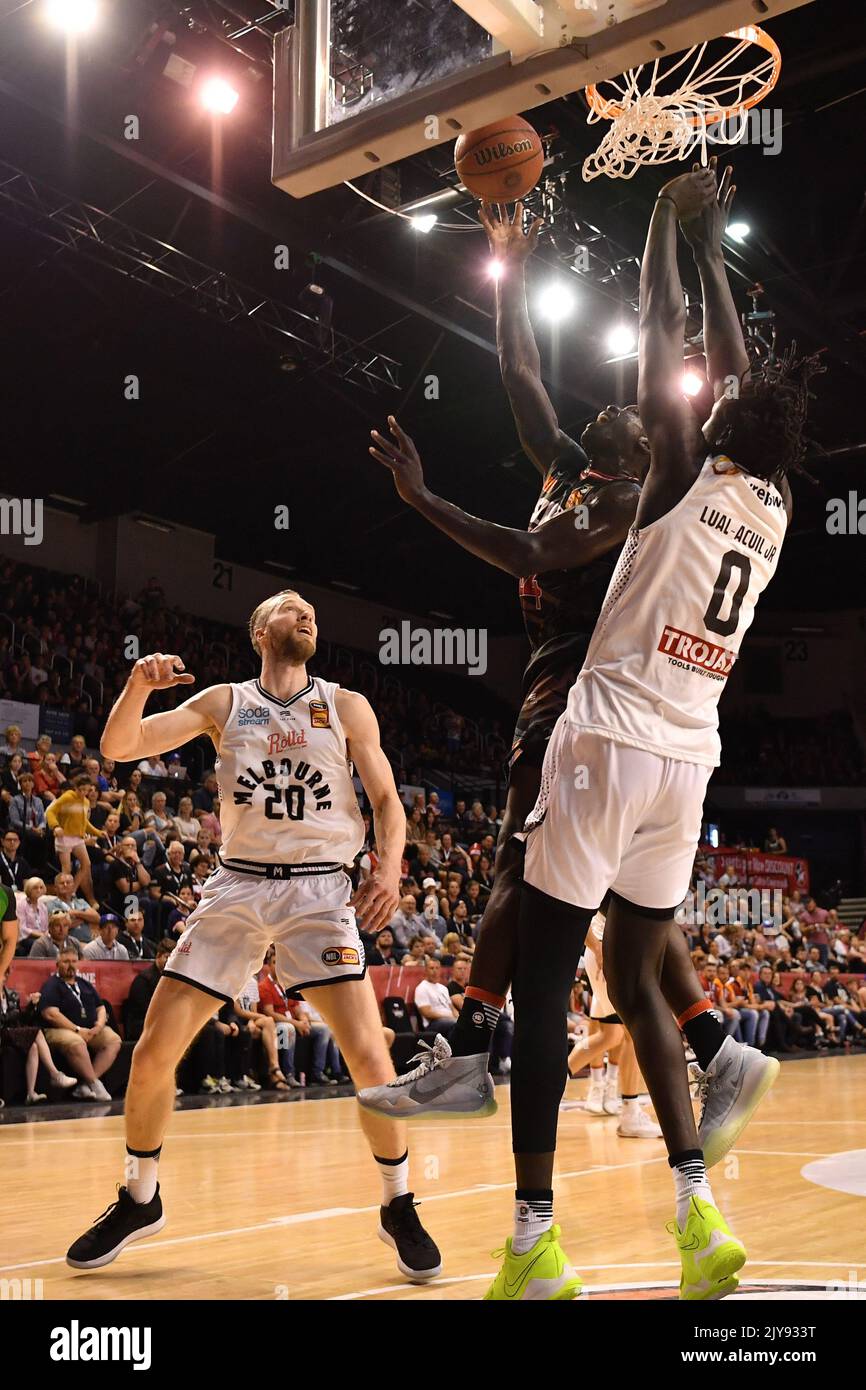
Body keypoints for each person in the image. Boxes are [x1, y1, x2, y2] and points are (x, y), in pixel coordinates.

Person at [66, 590, 441, 1282]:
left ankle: (398, 1202)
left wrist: (389, 868)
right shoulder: (224, 703)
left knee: (369, 1058)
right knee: (151, 1055)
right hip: (237, 888)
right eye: (291, 609)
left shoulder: (347, 704)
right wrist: (135, 686)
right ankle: (139, 1197)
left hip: (320, 891)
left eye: (312, 615)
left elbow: (388, 802)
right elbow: (121, 746)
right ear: (259, 630)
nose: (307, 617)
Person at [39, 948, 121, 1100]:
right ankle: (95, 1084)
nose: (70, 965)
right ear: (57, 964)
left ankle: (85, 1084)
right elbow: (50, 1014)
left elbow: (101, 1007)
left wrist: (99, 1025)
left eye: (74, 961)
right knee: (77, 1042)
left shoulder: (84, 984)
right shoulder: (52, 985)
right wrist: (77, 1030)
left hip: (90, 1029)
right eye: (66, 962)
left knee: (113, 1040)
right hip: (59, 1030)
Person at [0, 976, 77, 1104]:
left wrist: (32, 1005)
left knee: (33, 1047)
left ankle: (31, 1093)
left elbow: (21, 1020)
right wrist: (14, 1016)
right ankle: (55, 1074)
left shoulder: (12, 995)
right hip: (2, 1033)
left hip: (12, 1032)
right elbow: (6, 1019)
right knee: (37, 1033)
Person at [412, 957, 459, 1039]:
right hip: (433, 1024)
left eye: (437, 968)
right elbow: (427, 1013)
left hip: (449, 1019)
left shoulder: (443, 988)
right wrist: (449, 1017)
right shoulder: (421, 988)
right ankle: (454, 1050)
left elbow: (452, 1008)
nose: (435, 971)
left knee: (464, 1024)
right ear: (426, 970)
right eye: (431, 968)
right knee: (454, 1024)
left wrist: (459, 1018)